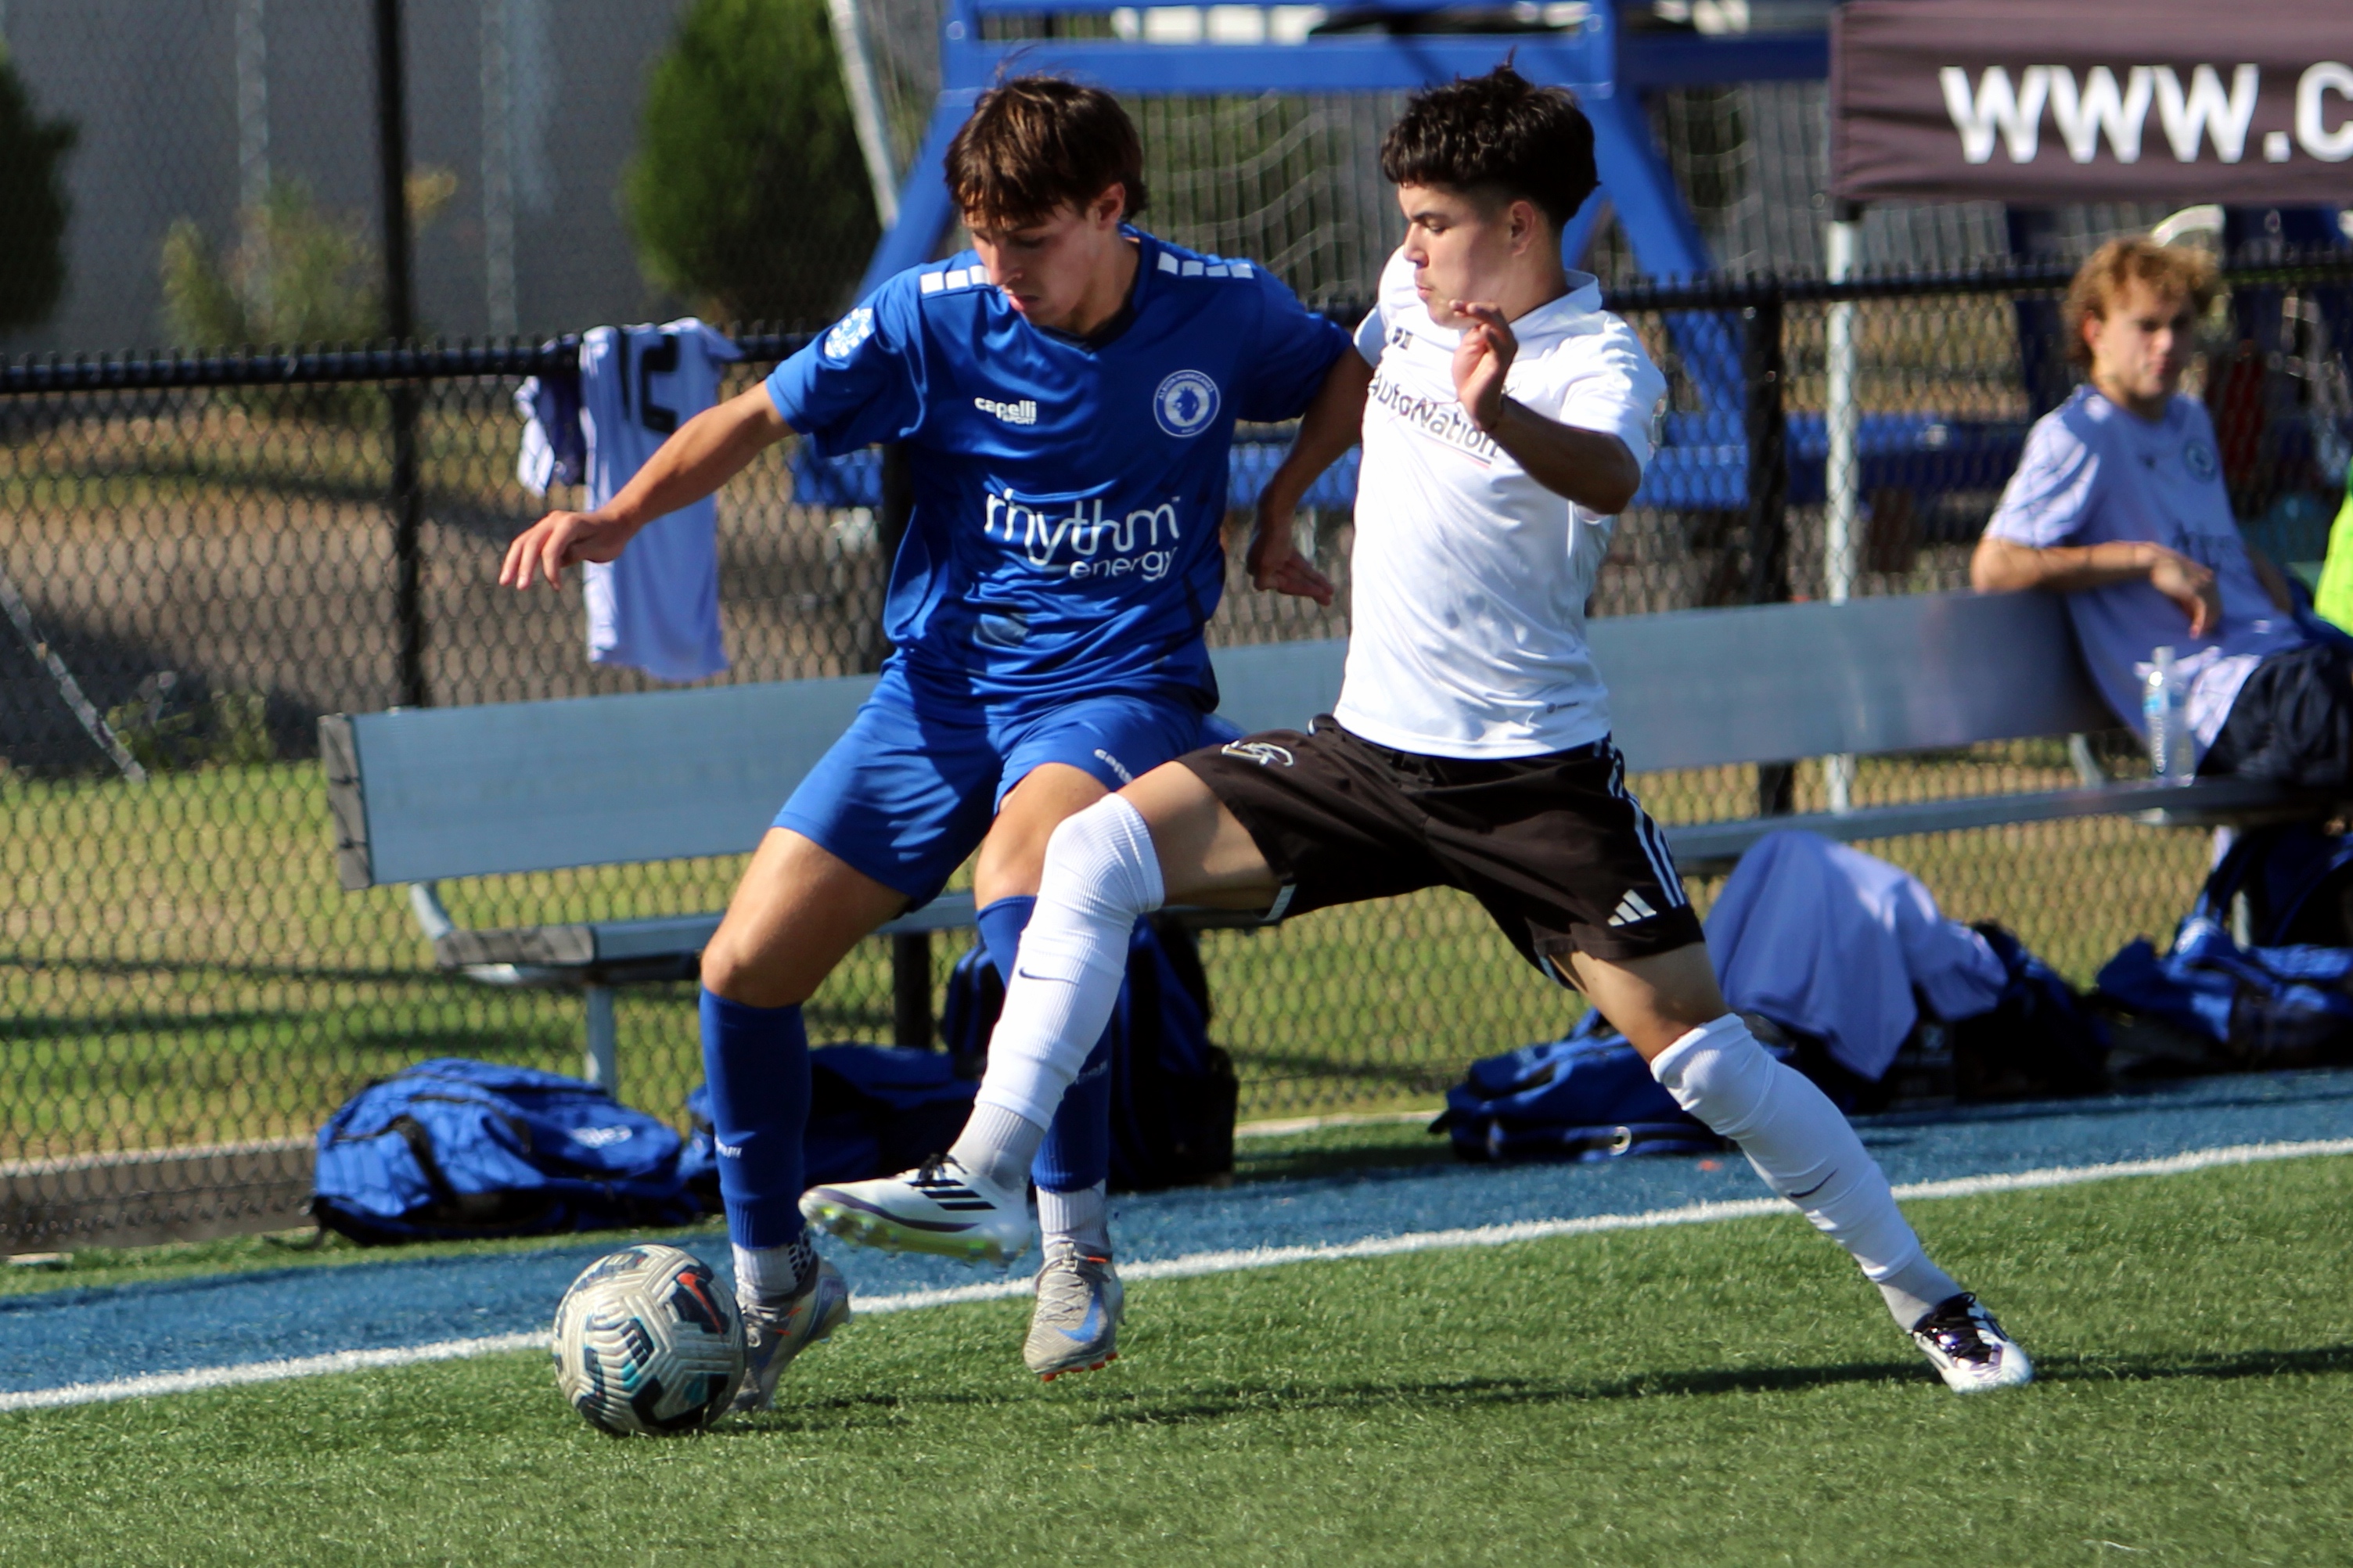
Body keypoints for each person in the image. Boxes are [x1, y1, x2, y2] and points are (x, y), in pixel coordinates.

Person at [804, 65, 2033, 1396]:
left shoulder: (1595, 361)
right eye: (1404, 221)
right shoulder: (1410, 295)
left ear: (1520, 224)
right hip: (1362, 758)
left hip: (1532, 788)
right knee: (1090, 853)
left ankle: (1935, 1304)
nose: (1407, 248)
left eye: (1433, 221)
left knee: (1708, 1066)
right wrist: (1283, 499)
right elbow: (1356, 371)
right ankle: (990, 1174)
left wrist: (1500, 409)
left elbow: (1610, 474)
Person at [500, 76, 1362, 1401]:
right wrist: (614, 519)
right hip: (937, 693)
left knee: (1026, 885)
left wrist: (1284, 508)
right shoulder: (931, 315)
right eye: (981, 239)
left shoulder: (1223, 303)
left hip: (1118, 685)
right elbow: (755, 415)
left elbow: (1351, 372)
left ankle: (1071, 1246)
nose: (998, 268)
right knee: (742, 967)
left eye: (1027, 241)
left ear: (1108, 209)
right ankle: (777, 1278)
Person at [1973, 237, 2352, 786]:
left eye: (2180, 324)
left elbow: (2192, 532)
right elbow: (1994, 565)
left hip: (2286, 662)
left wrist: (2251, 564)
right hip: (2220, 703)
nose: (2167, 344)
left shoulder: (2189, 420)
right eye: (2146, 326)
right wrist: (2144, 560)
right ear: (2093, 330)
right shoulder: (2080, 433)